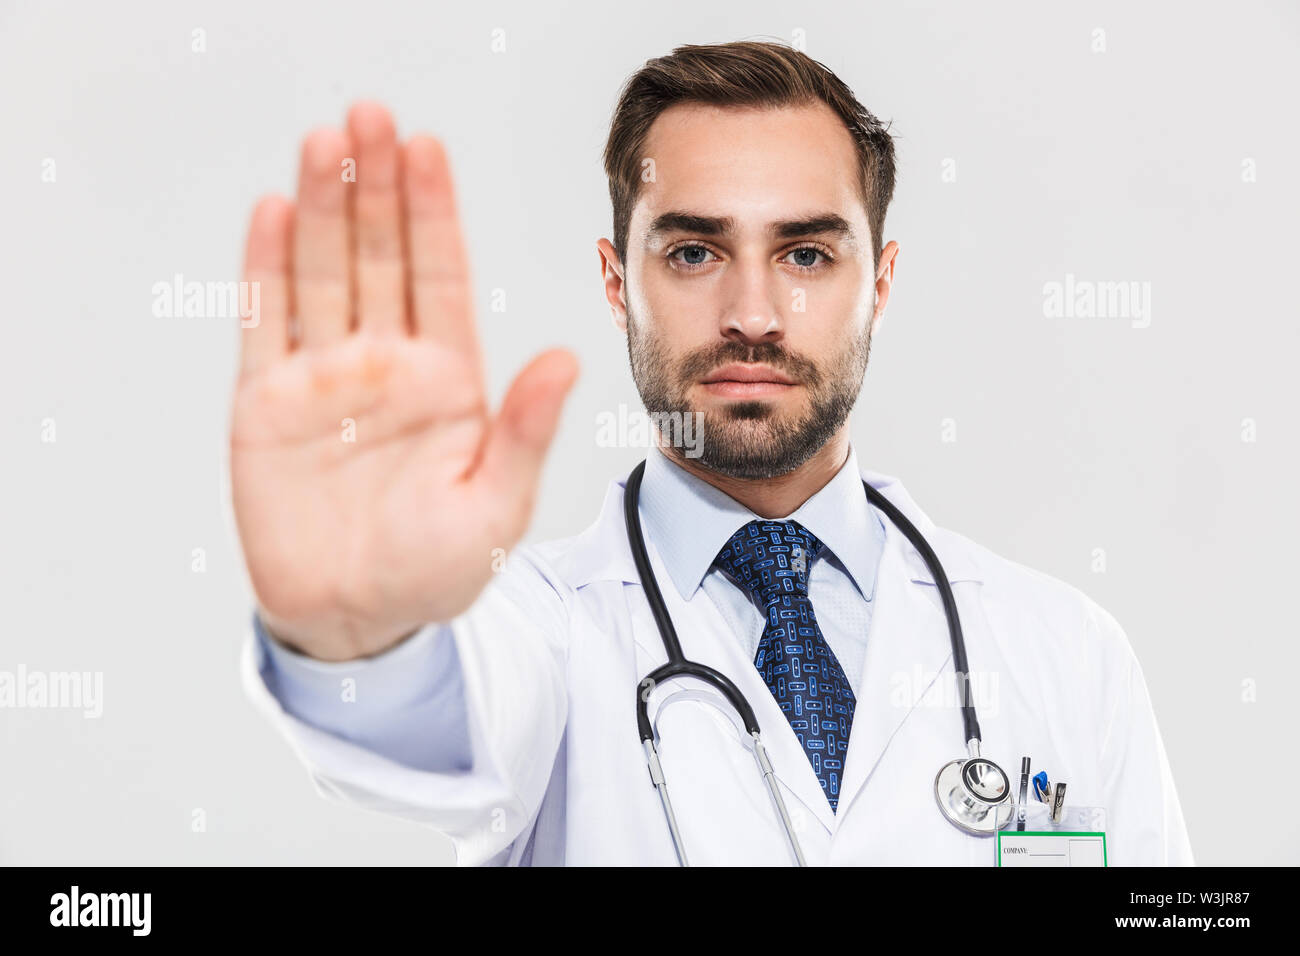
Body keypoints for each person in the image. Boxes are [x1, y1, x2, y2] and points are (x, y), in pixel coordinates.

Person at [231, 40, 1193, 866]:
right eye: (693, 252)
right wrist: (359, 632)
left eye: (806, 253)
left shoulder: (1066, 652)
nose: (753, 318)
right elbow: (430, 714)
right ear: (617, 284)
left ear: (882, 282)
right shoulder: (545, 636)